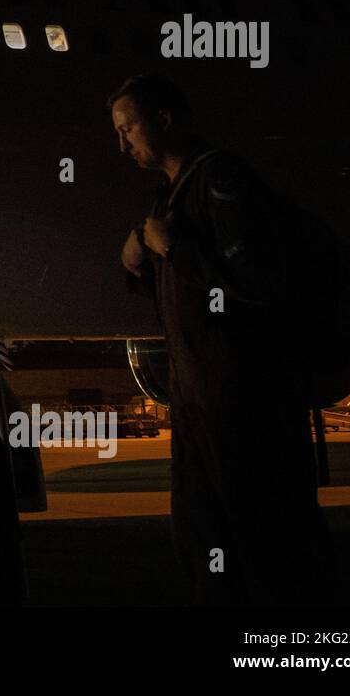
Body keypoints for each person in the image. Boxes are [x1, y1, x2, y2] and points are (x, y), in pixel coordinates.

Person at [109, 73, 334, 605]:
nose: (123, 145)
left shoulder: (221, 182)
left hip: (243, 406)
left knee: (263, 544)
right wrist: (140, 264)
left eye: (128, 129)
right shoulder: (173, 194)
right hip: (201, 406)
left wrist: (175, 250)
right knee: (207, 541)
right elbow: (195, 299)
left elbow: (259, 286)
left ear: (163, 119)